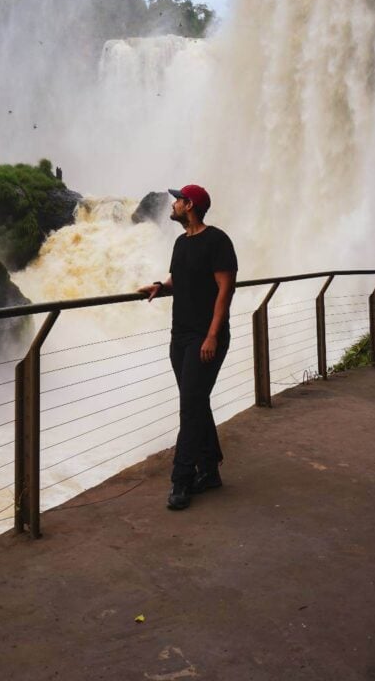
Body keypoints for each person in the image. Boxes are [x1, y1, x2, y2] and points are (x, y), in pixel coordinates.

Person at [138, 184, 237, 511]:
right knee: (195, 402)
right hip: (179, 337)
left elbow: (225, 292)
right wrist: (158, 286)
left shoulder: (218, 241)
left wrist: (212, 335)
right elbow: (177, 279)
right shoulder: (181, 243)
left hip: (205, 337)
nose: (174, 204)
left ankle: (181, 480)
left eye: (178, 200)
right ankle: (209, 469)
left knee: (190, 406)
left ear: (190, 205)